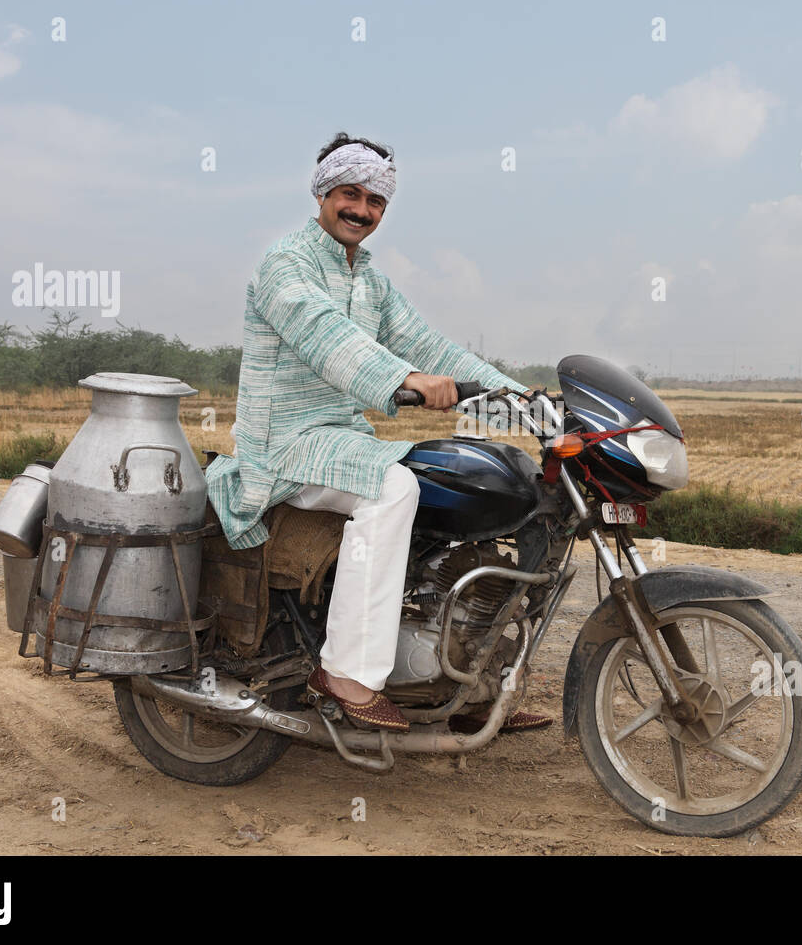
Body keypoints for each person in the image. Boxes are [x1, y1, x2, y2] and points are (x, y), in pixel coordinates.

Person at [206, 132, 550, 735]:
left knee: (460, 489)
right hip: (284, 442)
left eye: (376, 202)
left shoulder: (369, 278)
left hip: (343, 437)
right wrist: (405, 379)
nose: (362, 210)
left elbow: (430, 343)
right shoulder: (284, 264)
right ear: (323, 193)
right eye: (350, 194)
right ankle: (345, 675)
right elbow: (326, 340)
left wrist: (523, 402)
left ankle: (466, 681)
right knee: (394, 489)